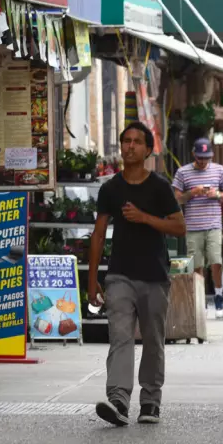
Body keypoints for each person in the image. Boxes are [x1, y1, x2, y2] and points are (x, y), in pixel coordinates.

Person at [87, 122, 186, 427]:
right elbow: (99, 235)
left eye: (136, 142)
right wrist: (93, 280)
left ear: (147, 150)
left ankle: (150, 401)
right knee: (120, 338)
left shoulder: (159, 187)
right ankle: (118, 398)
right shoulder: (110, 189)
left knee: (154, 340)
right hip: (120, 276)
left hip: (155, 275)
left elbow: (179, 226)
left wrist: (144, 218)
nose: (130, 146)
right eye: (125, 141)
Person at [172, 138, 223, 318]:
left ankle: (219, 296)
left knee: (216, 262)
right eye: (200, 158)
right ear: (194, 155)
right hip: (193, 226)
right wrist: (192, 193)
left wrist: (217, 194)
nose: (203, 161)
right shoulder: (183, 173)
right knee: (197, 266)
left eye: (206, 158)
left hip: (213, 225)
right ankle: (201, 300)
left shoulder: (219, 170)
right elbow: (177, 198)